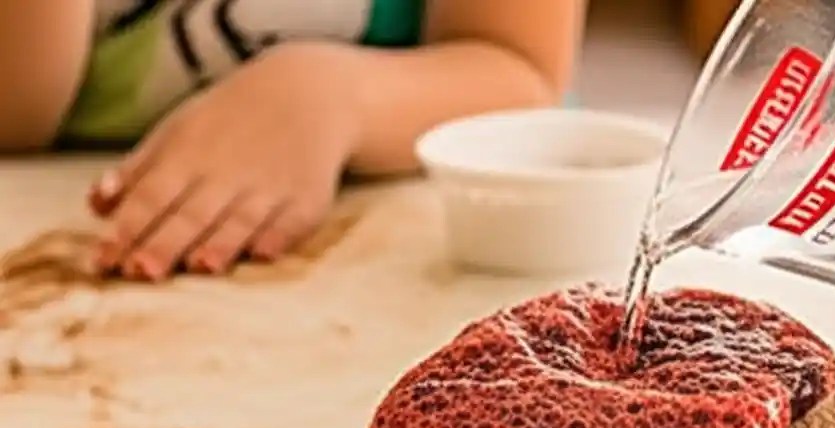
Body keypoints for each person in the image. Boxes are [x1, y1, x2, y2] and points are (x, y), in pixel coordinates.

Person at [0, 1, 586, 280]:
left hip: (393, 257)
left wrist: (338, 95)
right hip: (62, 240)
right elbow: (16, 114)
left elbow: (518, 71)